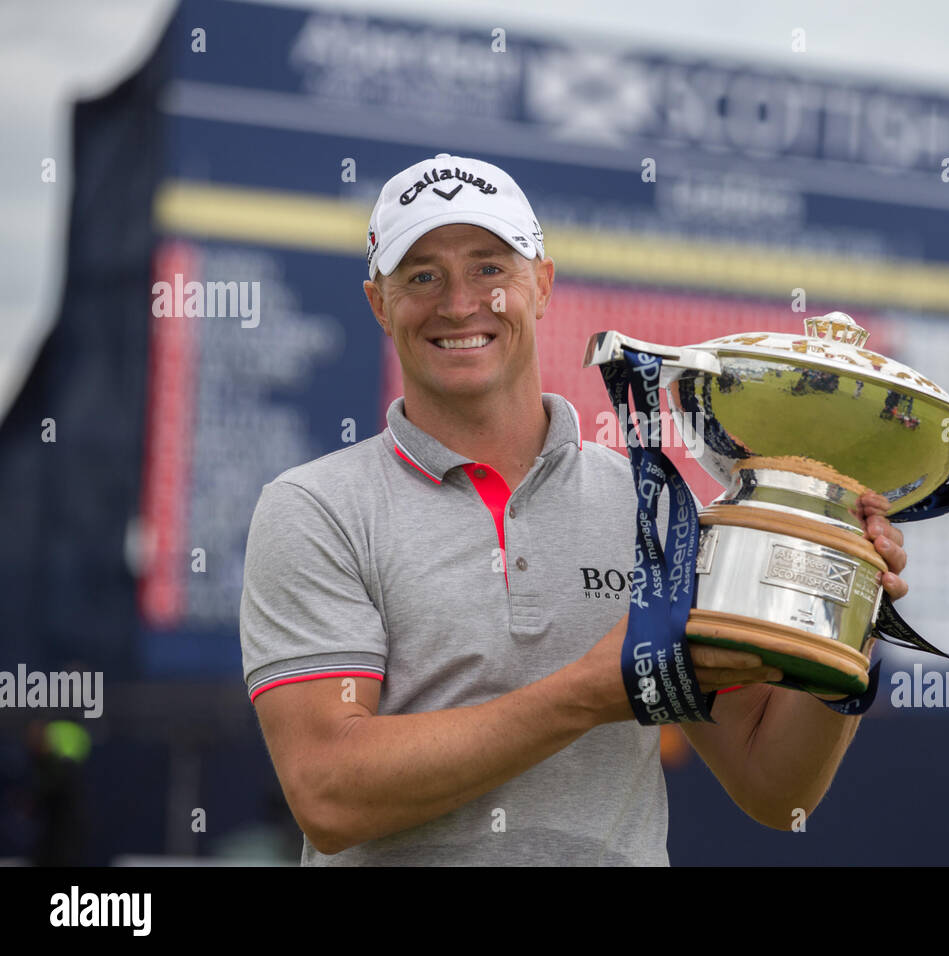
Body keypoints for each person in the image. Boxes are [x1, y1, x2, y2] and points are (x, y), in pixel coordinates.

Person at [239, 154, 909, 865]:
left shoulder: (652, 509)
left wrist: (851, 594)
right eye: (422, 275)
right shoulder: (315, 510)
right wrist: (588, 693)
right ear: (379, 303)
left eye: (491, 269)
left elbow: (777, 789)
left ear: (543, 285)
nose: (460, 302)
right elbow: (328, 793)